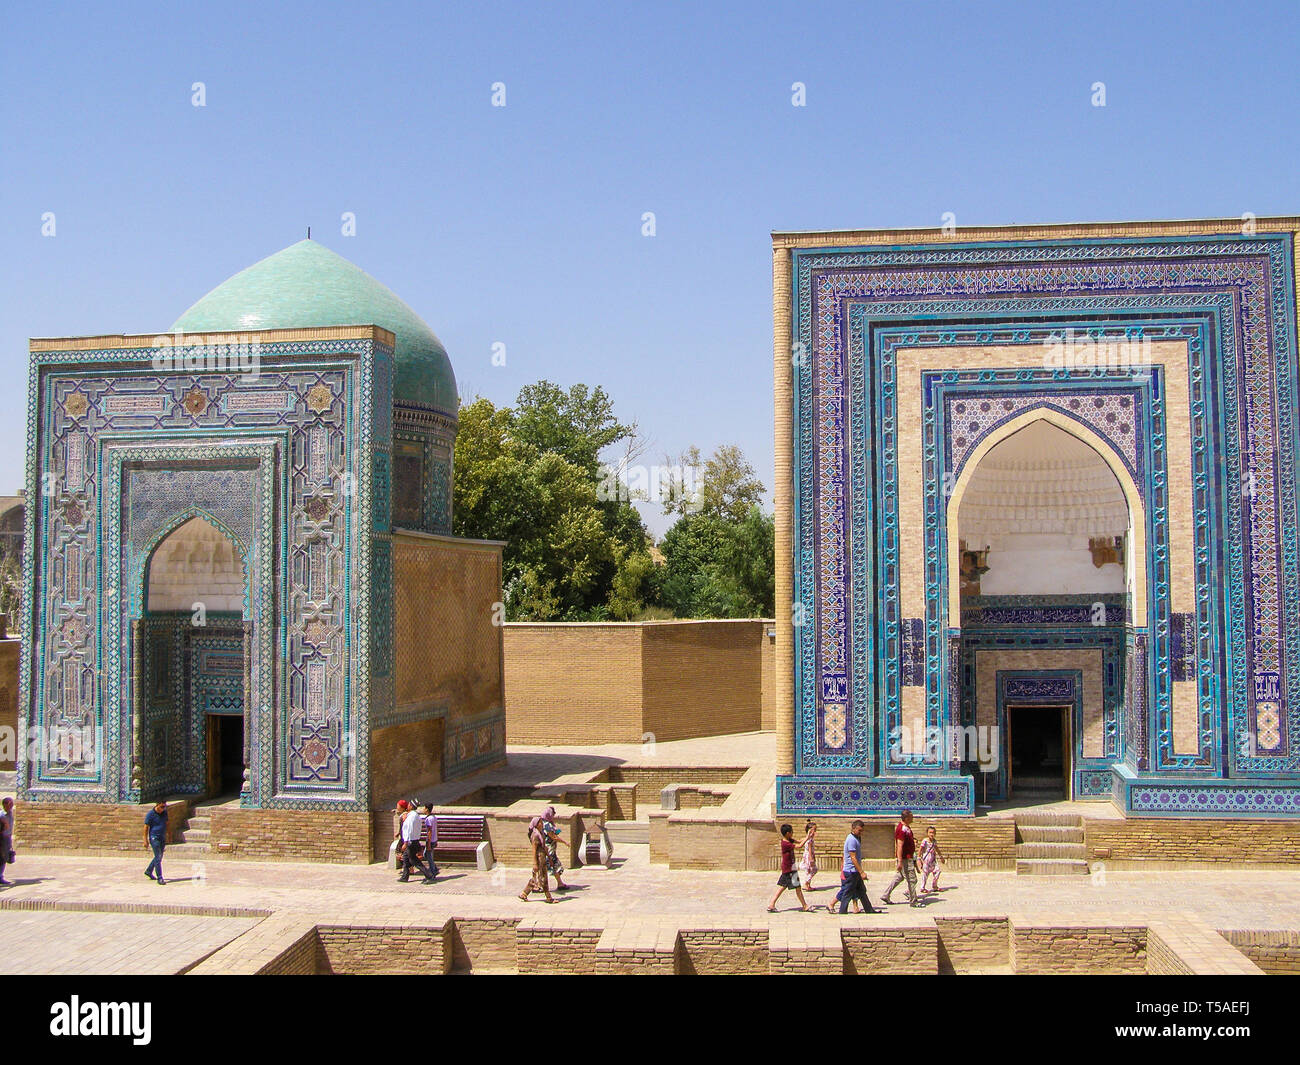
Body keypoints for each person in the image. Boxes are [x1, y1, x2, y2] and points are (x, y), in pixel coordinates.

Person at [830, 820, 876, 915]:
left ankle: (869, 910)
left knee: (862, 891)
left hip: (855, 871)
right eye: (859, 830)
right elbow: (853, 857)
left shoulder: (857, 838)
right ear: (853, 829)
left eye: (862, 831)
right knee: (847, 893)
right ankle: (842, 912)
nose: (861, 833)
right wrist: (861, 872)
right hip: (851, 871)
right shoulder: (851, 839)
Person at [881, 809, 920, 907]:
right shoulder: (902, 829)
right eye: (911, 817)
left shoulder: (906, 827)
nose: (913, 819)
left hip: (907, 857)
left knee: (899, 877)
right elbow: (899, 845)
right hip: (905, 859)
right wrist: (900, 861)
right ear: (906, 818)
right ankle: (913, 901)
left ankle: (886, 895)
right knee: (912, 879)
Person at [768, 824, 809, 912]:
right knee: (788, 887)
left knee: (793, 887)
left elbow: (799, 841)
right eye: (791, 832)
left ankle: (772, 904)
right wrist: (808, 837)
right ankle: (804, 906)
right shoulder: (786, 843)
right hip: (789, 869)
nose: (792, 833)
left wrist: (808, 837)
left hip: (791, 868)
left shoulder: (789, 840)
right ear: (787, 833)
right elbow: (799, 846)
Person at [519, 816, 555, 903]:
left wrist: (549, 858)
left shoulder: (541, 833)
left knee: (537, 877)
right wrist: (535, 863)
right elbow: (534, 849)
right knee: (542, 877)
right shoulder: (535, 835)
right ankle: (548, 897)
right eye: (540, 823)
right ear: (536, 824)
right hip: (538, 858)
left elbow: (544, 847)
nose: (542, 824)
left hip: (542, 858)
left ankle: (524, 893)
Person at [398, 799, 435, 884]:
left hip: (411, 841)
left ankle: (429, 875)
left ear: (411, 806)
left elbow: (409, 830)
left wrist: (406, 842)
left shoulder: (411, 817)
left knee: (414, 860)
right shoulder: (415, 816)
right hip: (414, 841)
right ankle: (405, 876)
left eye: (409, 805)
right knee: (406, 858)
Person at [540, 806, 569, 891]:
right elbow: (553, 837)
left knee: (550, 866)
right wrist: (565, 842)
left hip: (548, 849)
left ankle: (559, 883)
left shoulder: (545, 822)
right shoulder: (547, 825)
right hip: (548, 851)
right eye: (552, 814)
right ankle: (539, 886)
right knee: (552, 866)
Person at [144, 800, 168, 885]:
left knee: (159, 856)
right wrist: (145, 840)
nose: (163, 809)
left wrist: (169, 834)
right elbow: (146, 827)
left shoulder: (164, 813)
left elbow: (166, 823)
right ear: (157, 805)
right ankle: (160, 877)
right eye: (162, 807)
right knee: (158, 857)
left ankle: (149, 871)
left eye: (164, 807)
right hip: (154, 838)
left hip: (162, 837)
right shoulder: (150, 814)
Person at [919, 825, 945, 894]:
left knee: (938, 871)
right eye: (930, 832)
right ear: (927, 833)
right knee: (925, 874)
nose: (931, 834)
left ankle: (934, 885)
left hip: (933, 860)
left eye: (933, 833)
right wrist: (919, 858)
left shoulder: (934, 841)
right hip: (926, 860)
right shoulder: (925, 841)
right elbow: (920, 849)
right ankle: (922, 887)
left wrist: (941, 857)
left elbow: (937, 849)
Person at [420, 803, 440, 880]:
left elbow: (429, 831)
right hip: (434, 840)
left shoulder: (428, 819)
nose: (423, 810)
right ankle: (434, 868)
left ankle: (433, 871)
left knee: (428, 856)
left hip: (430, 840)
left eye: (424, 808)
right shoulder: (434, 817)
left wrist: (428, 843)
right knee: (427, 855)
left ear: (427, 809)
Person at [798, 820, 818, 890]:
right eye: (814, 830)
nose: (815, 832)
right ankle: (806, 883)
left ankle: (808, 885)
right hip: (808, 857)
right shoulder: (810, 840)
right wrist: (811, 858)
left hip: (807, 856)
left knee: (809, 870)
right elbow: (810, 850)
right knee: (814, 870)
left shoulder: (808, 839)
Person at [0, 797, 14, 886]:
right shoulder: (1, 815)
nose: (11, 806)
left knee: (5, 858)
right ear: (5, 804)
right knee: (1, 858)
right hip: (2, 838)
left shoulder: (10, 814)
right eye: (10, 804)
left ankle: (0, 876)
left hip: (7, 838)